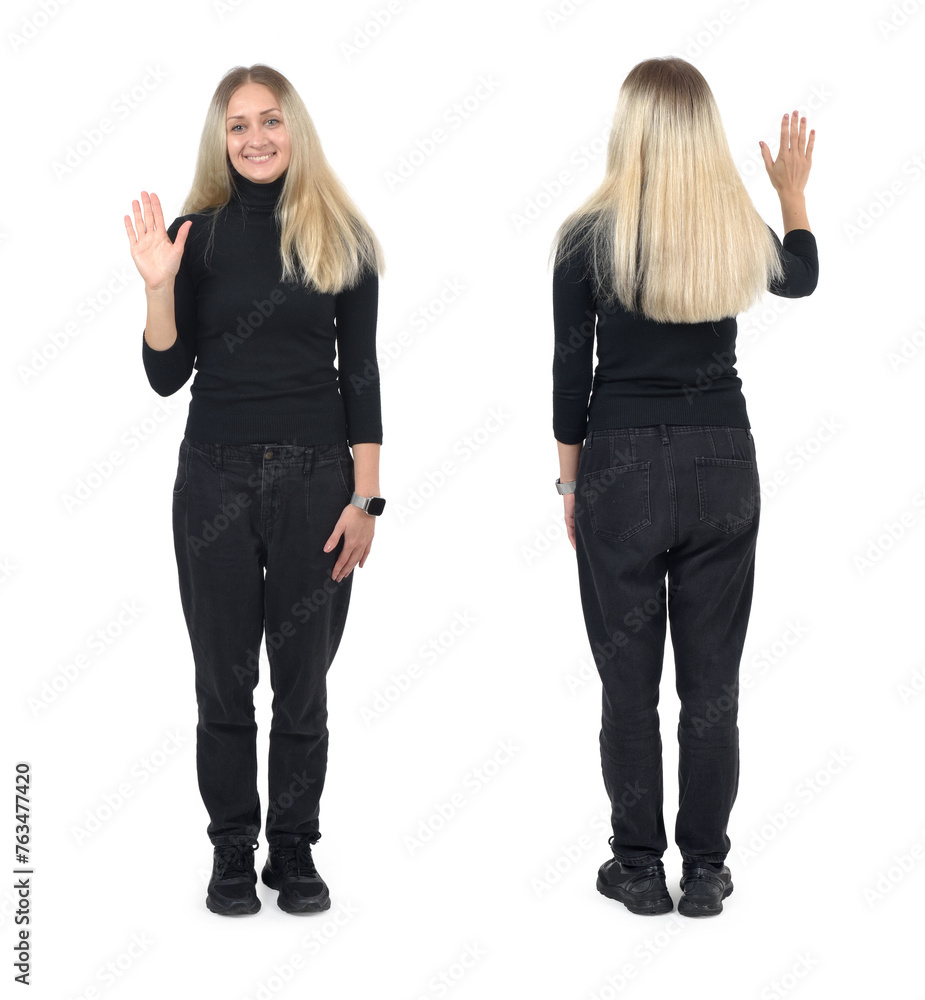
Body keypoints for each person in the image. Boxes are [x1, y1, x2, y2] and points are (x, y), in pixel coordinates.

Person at [550, 57, 817, 917]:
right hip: (718, 463)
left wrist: (568, 484)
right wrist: (791, 194)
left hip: (619, 464)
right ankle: (704, 869)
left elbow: (568, 374)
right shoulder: (730, 224)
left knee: (626, 681)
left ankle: (636, 869)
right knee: (712, 683)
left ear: (627, 126)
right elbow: (801, 276)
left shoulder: (586, 236)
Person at [124, 64, 387, 916]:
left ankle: (294, 848)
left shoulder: (340, 235)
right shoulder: (194, 235)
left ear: (294, 128)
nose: (256, 138)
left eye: (269, 121)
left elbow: (364, 377)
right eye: (237, 126)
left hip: (319, 484)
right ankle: (233, 849)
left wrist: (367, 498)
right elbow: (167, 376)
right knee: (223, 679)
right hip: (215, 482)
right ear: (220, 139)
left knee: (303, 680)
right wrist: (160, 287)